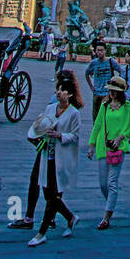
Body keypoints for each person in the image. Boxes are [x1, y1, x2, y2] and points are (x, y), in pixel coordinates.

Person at [27, 70, 83, 247]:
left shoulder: (74, 113)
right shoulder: (50, 108)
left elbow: (75, 136)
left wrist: (60, 136)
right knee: (48, 193)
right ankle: (70, 217)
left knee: (53, 196)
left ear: (70, 94)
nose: (59, 92)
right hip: (47, 154)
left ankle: (41, 232)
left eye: (63, 90)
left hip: (62, 157)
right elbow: (42, 126)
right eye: (58, 89)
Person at [88, 74, 130, 229]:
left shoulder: (127, 106)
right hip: (104, 145)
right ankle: (111, 202)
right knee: (103, 184)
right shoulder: (105, 105)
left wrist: (121, 137)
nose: (112, 93)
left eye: (115, 91)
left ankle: (107, 216)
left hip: (118, 147)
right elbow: (98, 125)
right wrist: (92, 144)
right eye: (110, 90)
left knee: (112, 182)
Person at [85, 40, 115, 121]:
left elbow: (121, 71)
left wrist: (114, 87)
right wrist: (91, 86)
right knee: (95, 116)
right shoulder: (93, 63)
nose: (99, 52)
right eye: (97, 50)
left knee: (104, 116)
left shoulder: (111, 61)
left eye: (101, 50)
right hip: (96, 92)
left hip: (106, 93)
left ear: (105, 50)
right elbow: (87, 73)